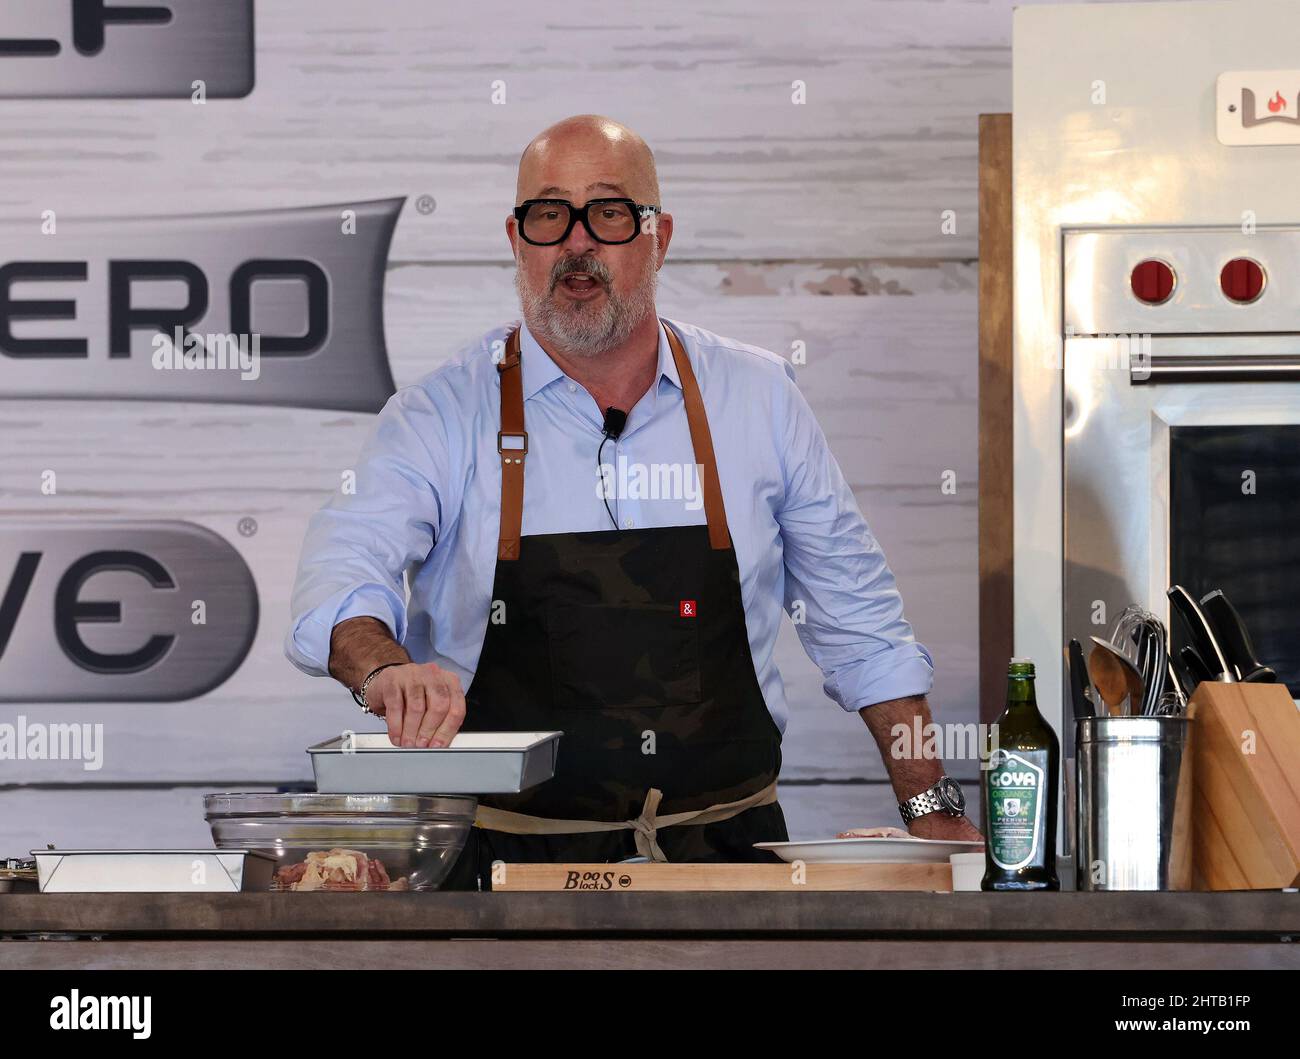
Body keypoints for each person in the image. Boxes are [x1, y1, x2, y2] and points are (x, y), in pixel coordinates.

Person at [286, 114, 981, 888]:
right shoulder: (440, 415)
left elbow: (863, 627)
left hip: (728, 870)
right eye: (549, 214)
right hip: (501, 878)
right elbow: (344, 573)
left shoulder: (757, 399)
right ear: (516, 240)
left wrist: (933, 804)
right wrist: (384, 668)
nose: (576, 244)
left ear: (660, 236)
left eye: (610, 212)